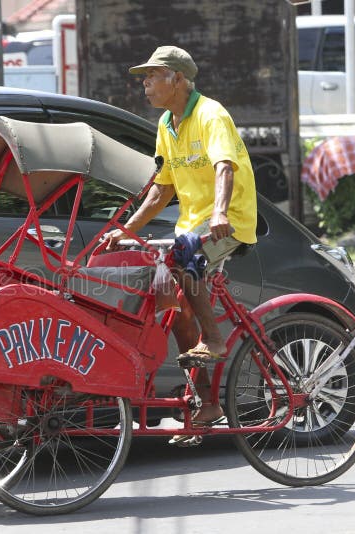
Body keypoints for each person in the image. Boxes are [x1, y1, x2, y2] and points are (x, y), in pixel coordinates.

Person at [103, 46, 257, 446]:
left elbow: (225, 166)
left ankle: (216, 338)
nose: (145, 83)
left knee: (186, 257)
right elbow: (162, 190)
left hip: (230, 219)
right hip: (192, 225)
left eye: (152, 76)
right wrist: (125, 229)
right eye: (144, 77)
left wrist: (220, 212)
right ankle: (207, 403)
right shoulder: (166, 124)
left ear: (177, 79)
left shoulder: (210, 114)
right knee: (172, 306)